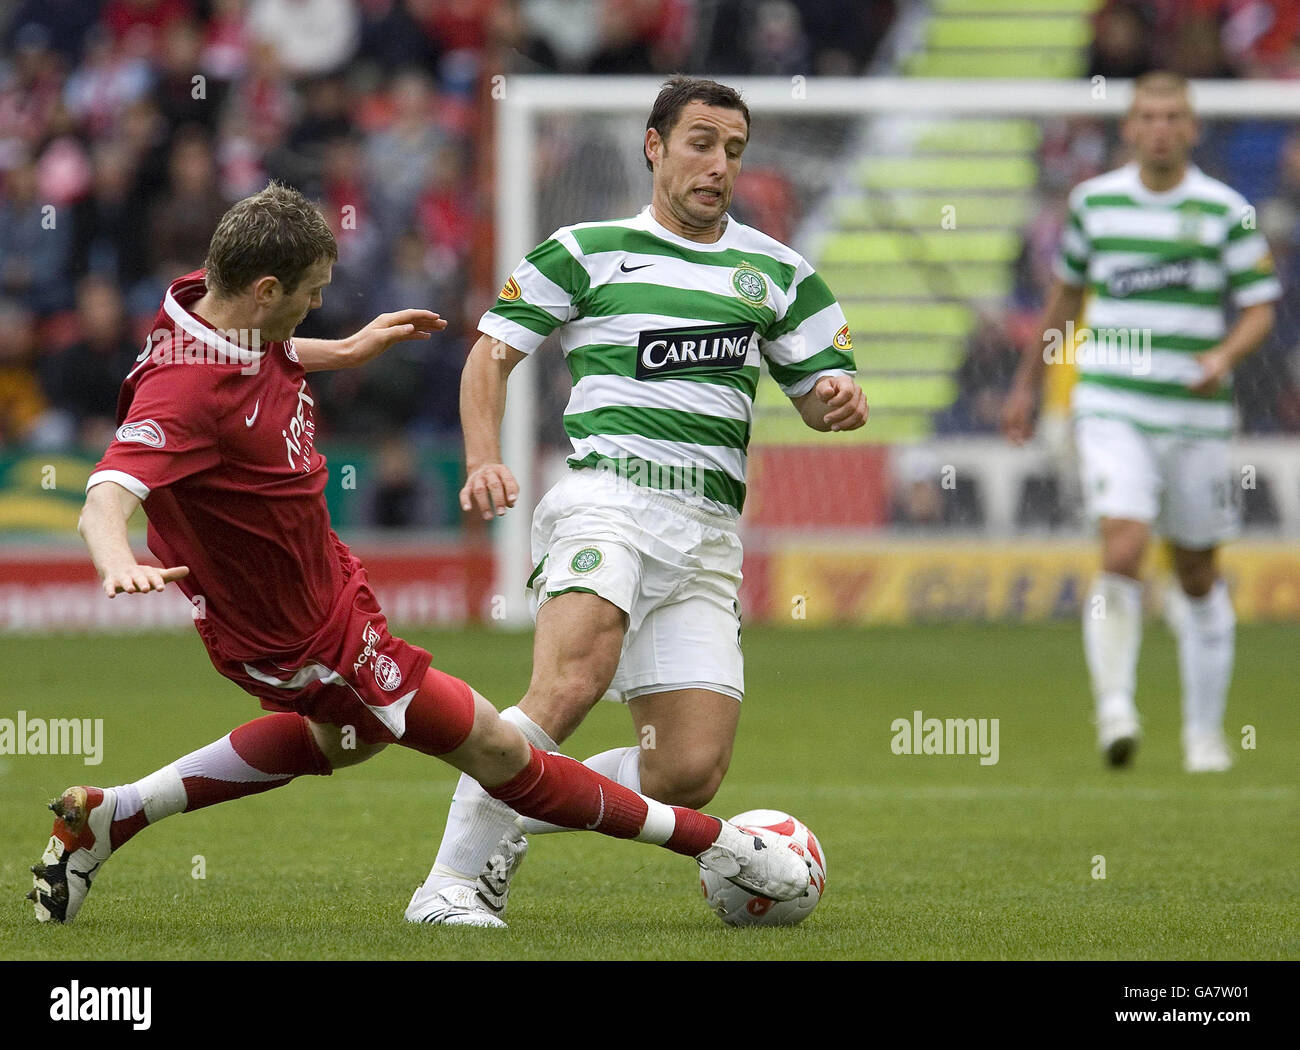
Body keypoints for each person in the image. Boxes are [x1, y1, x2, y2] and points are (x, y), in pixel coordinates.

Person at [27, 182, 810, 926]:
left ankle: (115, 816)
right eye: (311, 293)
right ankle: (713, 848)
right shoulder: (183, 388)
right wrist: (113, 558)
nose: (319, 303)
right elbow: (108, 491)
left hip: (326, 585)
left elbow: (259, 353)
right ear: (267, 290)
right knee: (501, 748)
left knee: (348, 739)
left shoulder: (213, 300)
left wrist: (341, 348)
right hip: (299, 638)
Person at [410, 76, 867, 927]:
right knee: (572, 680)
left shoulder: (778, 271)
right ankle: (445, 886)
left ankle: (516, 810)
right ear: (654, 146)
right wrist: (483, 457)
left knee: (686, 772)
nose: (718, 164)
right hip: (610, 499)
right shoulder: (583, 250)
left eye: (733, 149)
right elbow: (490, 356)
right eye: (700, 142)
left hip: (707, 532)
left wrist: (837, 399)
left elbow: (818, 393)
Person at [1002, 72, 1279, 772]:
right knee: (1122, 547)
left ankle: (1204, 736)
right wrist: (1026, 385)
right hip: (1111, 403)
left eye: (1173, 116)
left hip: (1195, 412)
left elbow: (1260, 309)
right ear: (1128, 128)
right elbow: (1064, 301)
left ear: (1191, 128)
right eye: (1147, 115)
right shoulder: (1095, 205)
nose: (1160, 127)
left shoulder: (1226, 211)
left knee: (1195, 570)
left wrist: (1222, 355)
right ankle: (1116, 711)